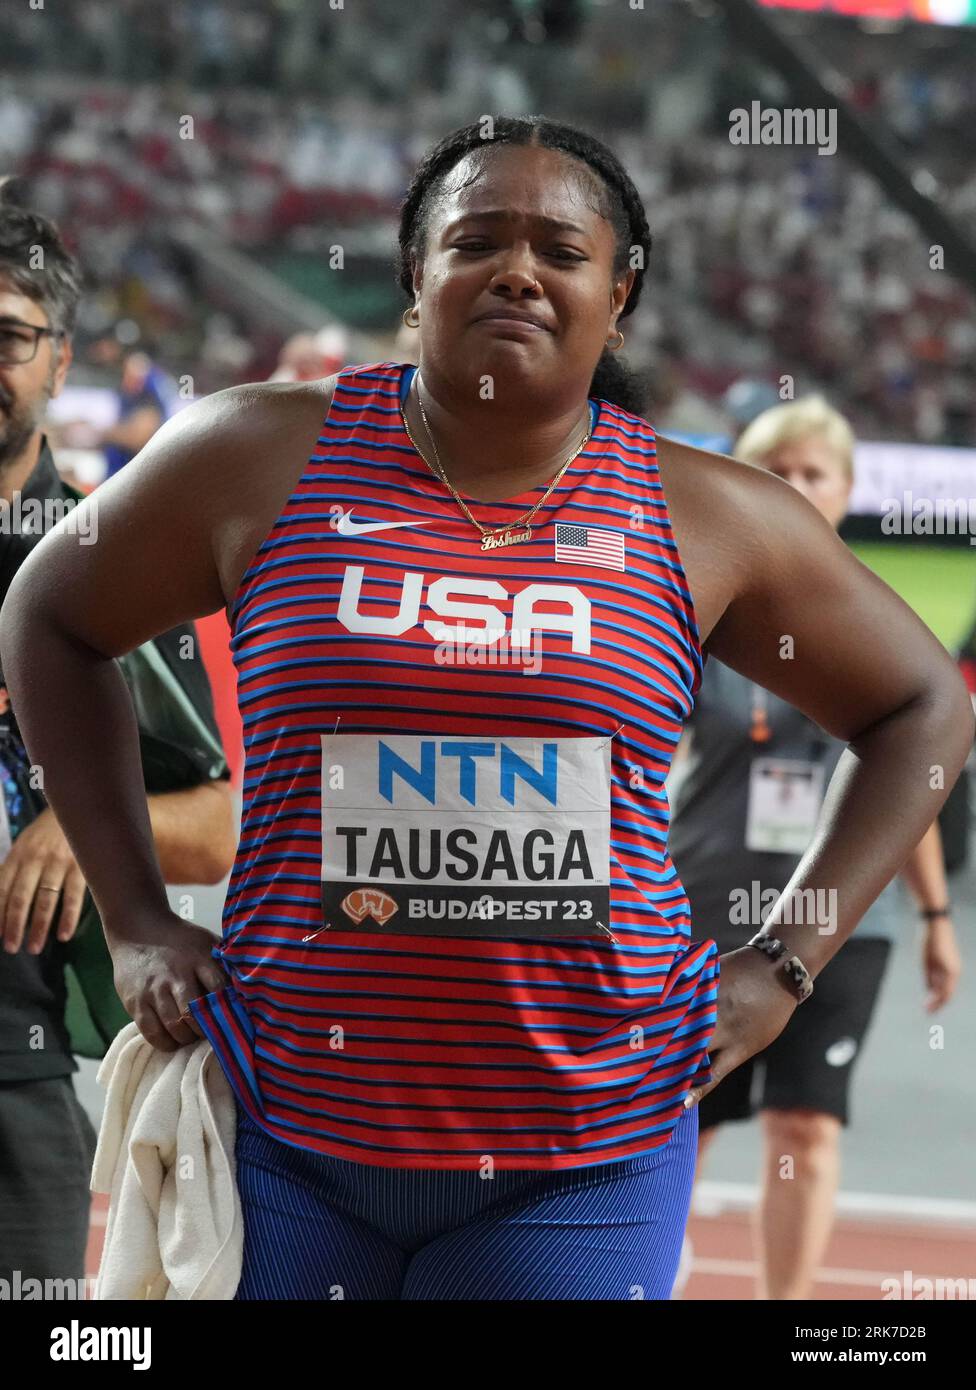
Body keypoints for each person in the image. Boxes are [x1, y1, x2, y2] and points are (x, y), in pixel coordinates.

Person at [1, 117, 971, 1302]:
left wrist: (786, 962)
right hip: (295, 1131)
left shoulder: (706, 513)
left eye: (560, 252)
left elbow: (922, 703)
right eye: (477, 241)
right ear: (417, 277)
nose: (517, 269)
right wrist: (138, 912)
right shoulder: (256, 454)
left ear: (620, 294)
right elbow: (50, 618)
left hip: (583, 1150)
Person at [667, 395, 963, 1300]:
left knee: (808, 1128)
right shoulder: (699, 605)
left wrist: (936, 914)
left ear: (848, 489)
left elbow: (909, 777)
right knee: (682, 1122)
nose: (795, 487)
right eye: (778, 470)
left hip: (838, 923)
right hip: (704, 904)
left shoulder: (879, 624)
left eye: (814, 473)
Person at [0, 186, 237, 1288]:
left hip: (15, 1066)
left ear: (58, 364)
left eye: (6, 336)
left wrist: (85, 824)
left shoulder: (107, 562)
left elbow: (230, 816)